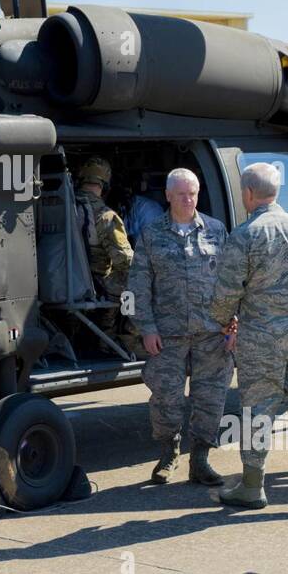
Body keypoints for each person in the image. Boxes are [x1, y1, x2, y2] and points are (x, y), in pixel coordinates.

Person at [210, 163, 288, 514]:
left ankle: (252, 487)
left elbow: (226, 293)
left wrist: (223, 322)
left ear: (248, 194)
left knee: (257, 411)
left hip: (262, 340)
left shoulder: (245, 235)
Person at [126, 168, 234, 485]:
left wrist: (234, 323)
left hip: (212, 335)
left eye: (193, 193)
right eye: (182, 194)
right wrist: (146, 327)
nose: (188, 200)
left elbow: (231, 282)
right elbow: (136, 287)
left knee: (210, 399)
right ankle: (168, 453)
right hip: (167, 336)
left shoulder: (216, 230)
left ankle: (200, 459)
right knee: (165, 399)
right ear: (169, 196)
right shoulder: (151, 235)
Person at [75, 157, 134, 348]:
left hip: (68, 282)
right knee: (143, 280)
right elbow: (124, 260)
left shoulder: (63, 208)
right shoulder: (105, 216)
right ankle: (125, 339)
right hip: (96, 283)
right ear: (105, 184)